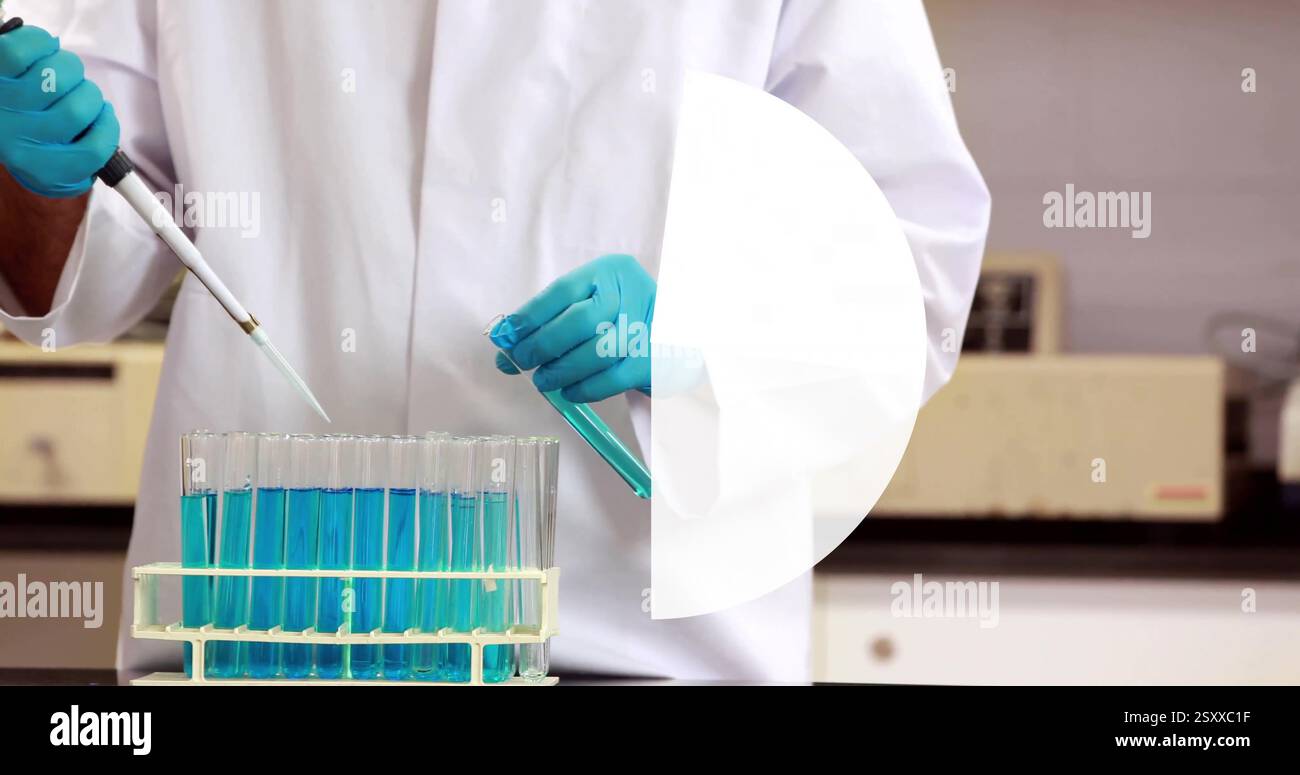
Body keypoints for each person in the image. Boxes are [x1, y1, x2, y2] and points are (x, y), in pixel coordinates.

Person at [0, 0, 989, 681]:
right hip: (257, 643)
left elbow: (910, 265)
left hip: (636, 651)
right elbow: (80, 258)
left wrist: (701, 331)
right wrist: (28, 173)